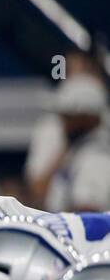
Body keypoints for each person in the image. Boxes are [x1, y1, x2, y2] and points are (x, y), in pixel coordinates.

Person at [26, 74, 110, 213]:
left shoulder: (98, 154)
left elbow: (89, 211)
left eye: (68, 116)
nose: (63, 122)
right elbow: (38, 191)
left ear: (87, 117)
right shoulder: (73, 147)